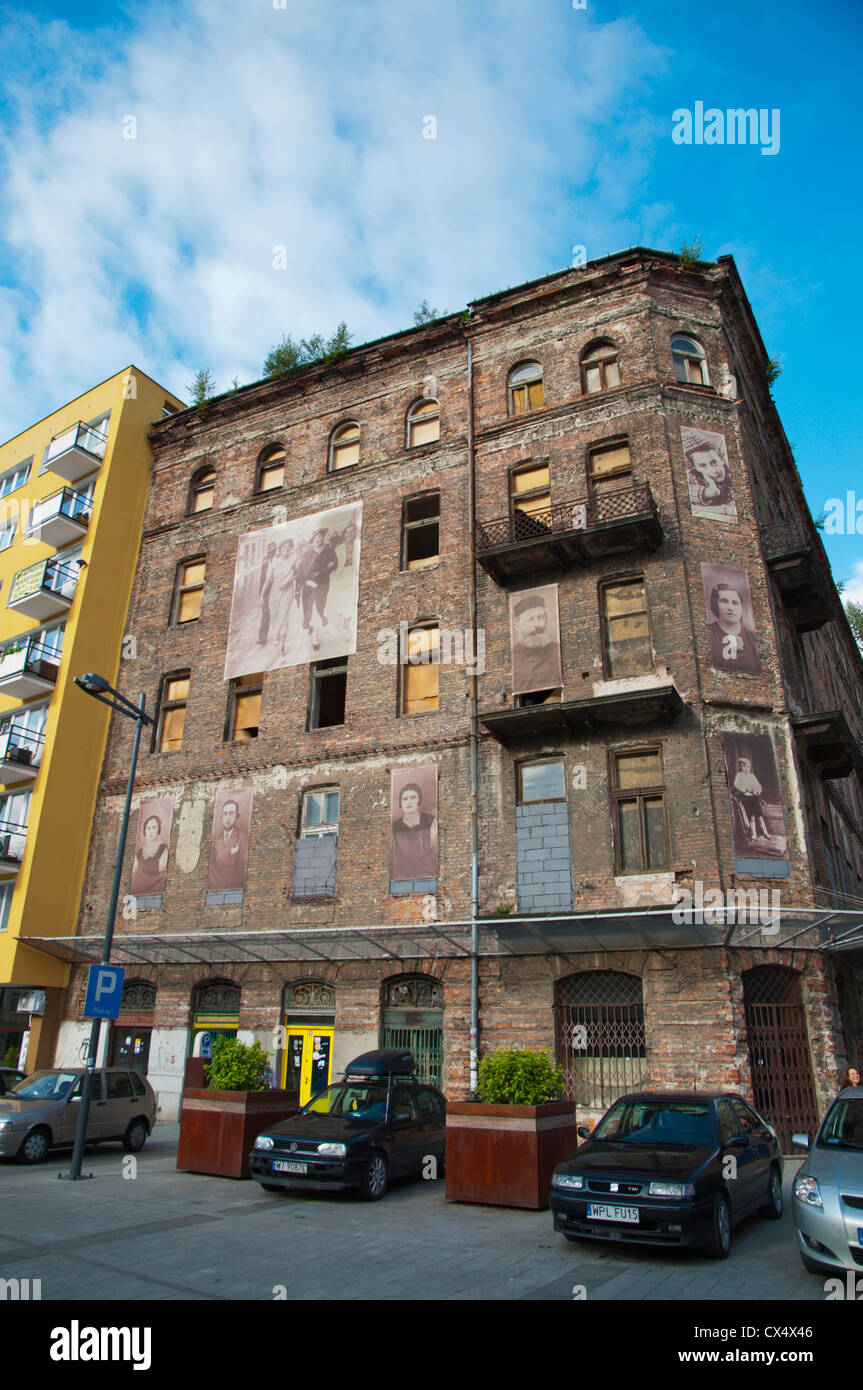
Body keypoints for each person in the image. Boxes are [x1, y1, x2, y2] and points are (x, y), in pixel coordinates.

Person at [511, 592, 561, 694]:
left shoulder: (557, 650)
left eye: (541, 617)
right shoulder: (512, 657)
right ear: (517, 626)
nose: (537, 625)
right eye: (530, 619)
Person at [296, 529, 339, 650]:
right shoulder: (307, 554)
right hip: (309, 585)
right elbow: (301, 571)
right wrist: (306, 581)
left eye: (321, 536)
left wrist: (320, 573)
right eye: (317, 536)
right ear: (313, 538)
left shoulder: (329, 550)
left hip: (322, 583)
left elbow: (333, 563)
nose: (319, 539)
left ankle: (315, 632)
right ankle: (314, 637)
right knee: (311, 610)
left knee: (320, 608)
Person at [708, 581, 761, 673]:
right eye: (724, 601)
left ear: (741, 607)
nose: (730, 607)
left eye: (735, 603)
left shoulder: (754, 638)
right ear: (716, 605)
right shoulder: (707, 634)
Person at [390, 782, 437, 880]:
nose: (409, 802)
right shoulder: (395, 827)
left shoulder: (430, 821)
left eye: (413, 797)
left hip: (427, 874)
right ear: (400, 802)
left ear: (419, 799)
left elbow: (434, 849)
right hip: (403, 874)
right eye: (405, 799)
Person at [685, 438, 736, 517]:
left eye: (714, 462)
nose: (713, 470)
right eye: (703, 465)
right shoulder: (692, 480)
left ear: (721, 459)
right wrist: (708, 492)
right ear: (696, 468)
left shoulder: (734, 476)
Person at [208, 798, 248, 892]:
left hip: (233, 885)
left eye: (231, 813)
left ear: (237, 816)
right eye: (225, 814)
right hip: (216, 885)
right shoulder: (216, 840)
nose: (228, 817)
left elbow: (241, 867)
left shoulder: (243, 838)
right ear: (221, 816)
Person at [732, 756, 770, 841]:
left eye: (748, 766)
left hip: (754, 798)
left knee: (759, 817)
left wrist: (757, 791)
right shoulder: (739, 775)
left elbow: (758, 786)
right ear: (740, 767)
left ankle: (765, 833)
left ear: (750, 767)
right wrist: (744, 790)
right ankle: (754, 835)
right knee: (751, 817)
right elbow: (736, 785)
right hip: (746, 798)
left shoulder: (752, 776)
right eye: (743, 766)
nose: (746, 768)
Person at [131, 813, 169, 894]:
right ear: (145, 831)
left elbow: (163, 873)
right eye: (148, 828)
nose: (151, 831)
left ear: (158, 830)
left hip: (155, 891)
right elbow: (134, 874)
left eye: (154, 828)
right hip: (139, 891)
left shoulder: (163, 850)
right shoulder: (139, 853)